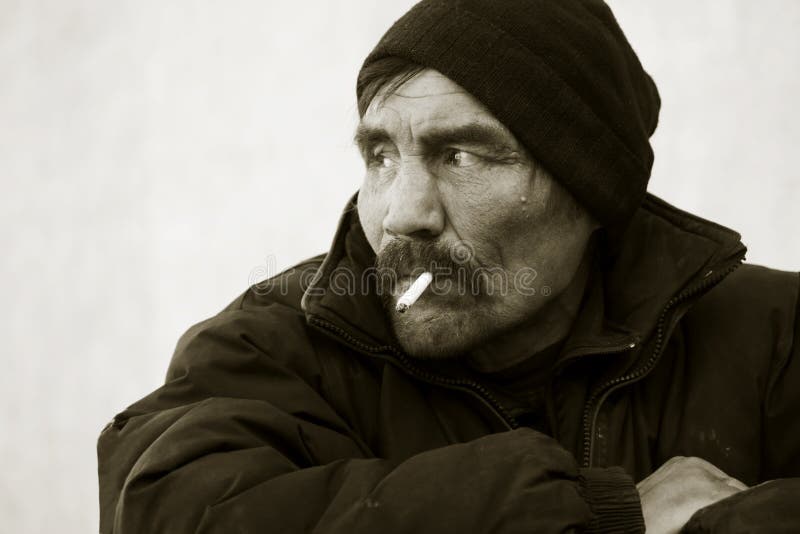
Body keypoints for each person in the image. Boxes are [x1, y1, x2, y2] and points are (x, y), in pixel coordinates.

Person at [97, 1, 800, 532]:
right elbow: (172, 511)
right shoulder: (274, 344)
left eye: (460, 155)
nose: (401, 214)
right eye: (380, 156)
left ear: (594, 192)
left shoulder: (774, 335)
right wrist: (597, 515)